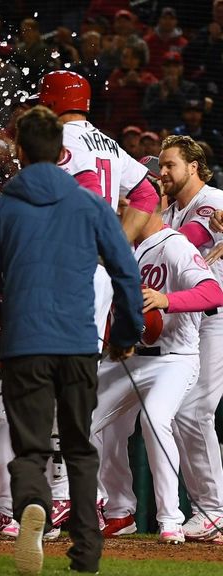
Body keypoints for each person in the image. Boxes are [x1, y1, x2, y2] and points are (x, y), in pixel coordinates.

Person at [0, 106, 143, 575]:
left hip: (24, 344)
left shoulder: (0, 208)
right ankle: (86, 553)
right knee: (81, 448)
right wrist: (124, 335)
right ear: (63, 152)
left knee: (31, 448)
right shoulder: (91, 206)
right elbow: (125, 272)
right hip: (80, 342)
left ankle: (31, 506)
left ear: (19, 151)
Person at [92, 201, 223, 544]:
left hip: (174, 358)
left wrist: (167, 301)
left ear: (147, 207)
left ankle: (170, 518)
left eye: (124, 206)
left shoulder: (174, 244)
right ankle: (117, 510)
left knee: (155, 418)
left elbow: (213, 292)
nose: (118, 213)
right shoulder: (123, 248)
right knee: (82, 419)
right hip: (128, 357)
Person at [159, 136, 223, 541]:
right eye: (161, 166)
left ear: (194, 166)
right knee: (180, 411)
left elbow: (193, 239)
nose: (163, 172)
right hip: (188, 321)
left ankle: (213, 510)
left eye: (170, 165)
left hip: (216, 317)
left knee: (194, 410)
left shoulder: (213, 199)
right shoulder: (169, 212)